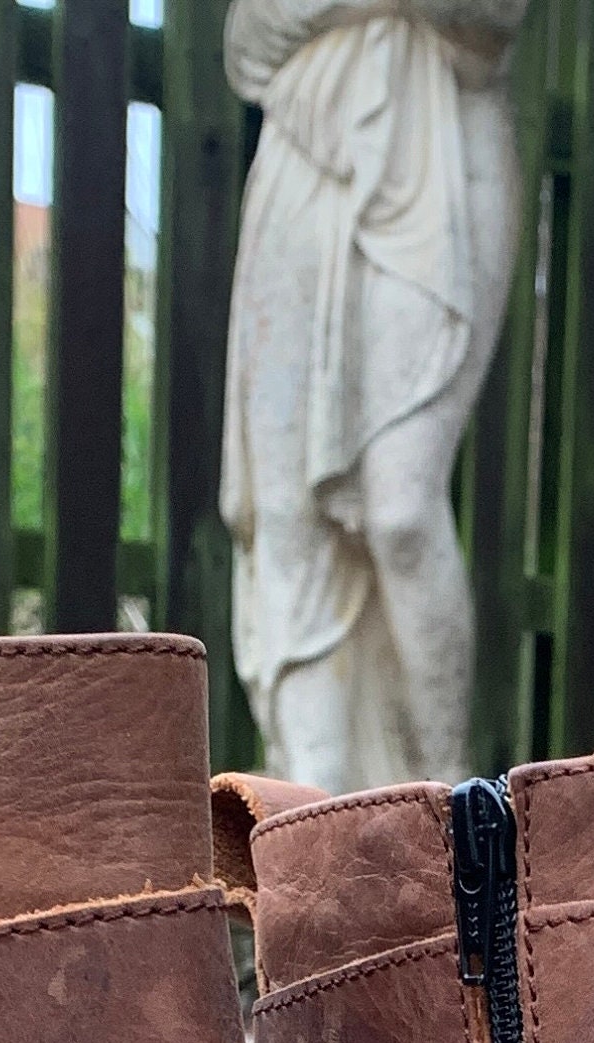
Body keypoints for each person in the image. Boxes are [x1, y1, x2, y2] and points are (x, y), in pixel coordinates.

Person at [219, 0, 528, 789]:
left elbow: (492, 14)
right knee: (289, 514)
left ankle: (451, 814)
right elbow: (249, 42)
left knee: (401, 508)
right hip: (301, 169)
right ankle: (312, 808)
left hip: (440, 158)